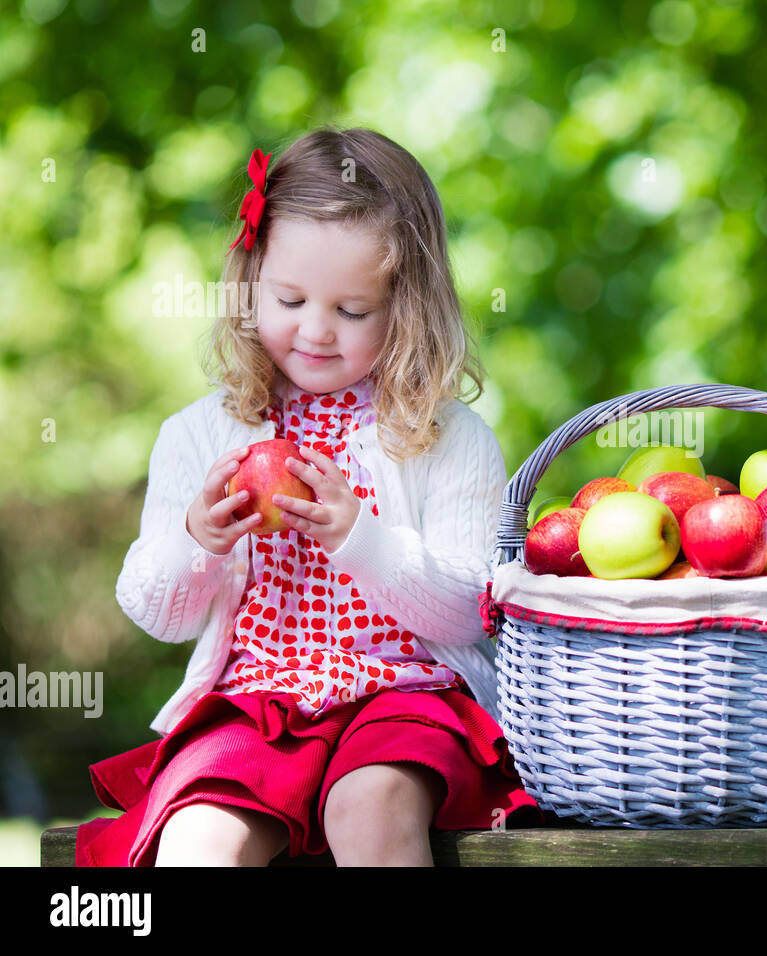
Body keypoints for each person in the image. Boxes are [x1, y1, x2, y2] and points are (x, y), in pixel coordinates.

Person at [77, 127, 538, 866]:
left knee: (373, 805)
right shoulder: (201, 435)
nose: (316, 331)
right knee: (198, 840)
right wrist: (199, 539)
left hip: (403, 693)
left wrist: (365, 540)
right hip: (257, 699)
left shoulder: (446, 437)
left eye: (352, 311)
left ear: (407, 308)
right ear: (250, 281)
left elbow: (470, 607)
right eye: (290, 299)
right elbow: (153, 611)